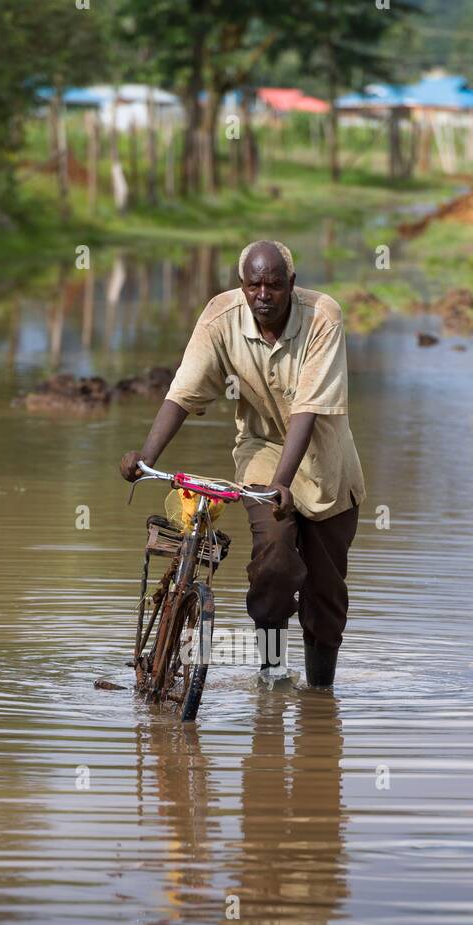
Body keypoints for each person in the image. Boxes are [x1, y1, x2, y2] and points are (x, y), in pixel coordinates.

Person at [119, 239, 365, 689]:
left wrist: (283, 483)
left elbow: (307, 410)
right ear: (242, 285)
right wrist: (146, 457)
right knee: (272, 563)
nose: (264, 295)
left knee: (325, 599)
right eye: (254, 285)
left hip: (328, 464)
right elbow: (184, 391)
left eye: (274, 284)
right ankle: (273, 677)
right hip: (261, 451)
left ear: (291, 284)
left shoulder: (323, 317)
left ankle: (319, 699)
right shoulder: (219, 318)